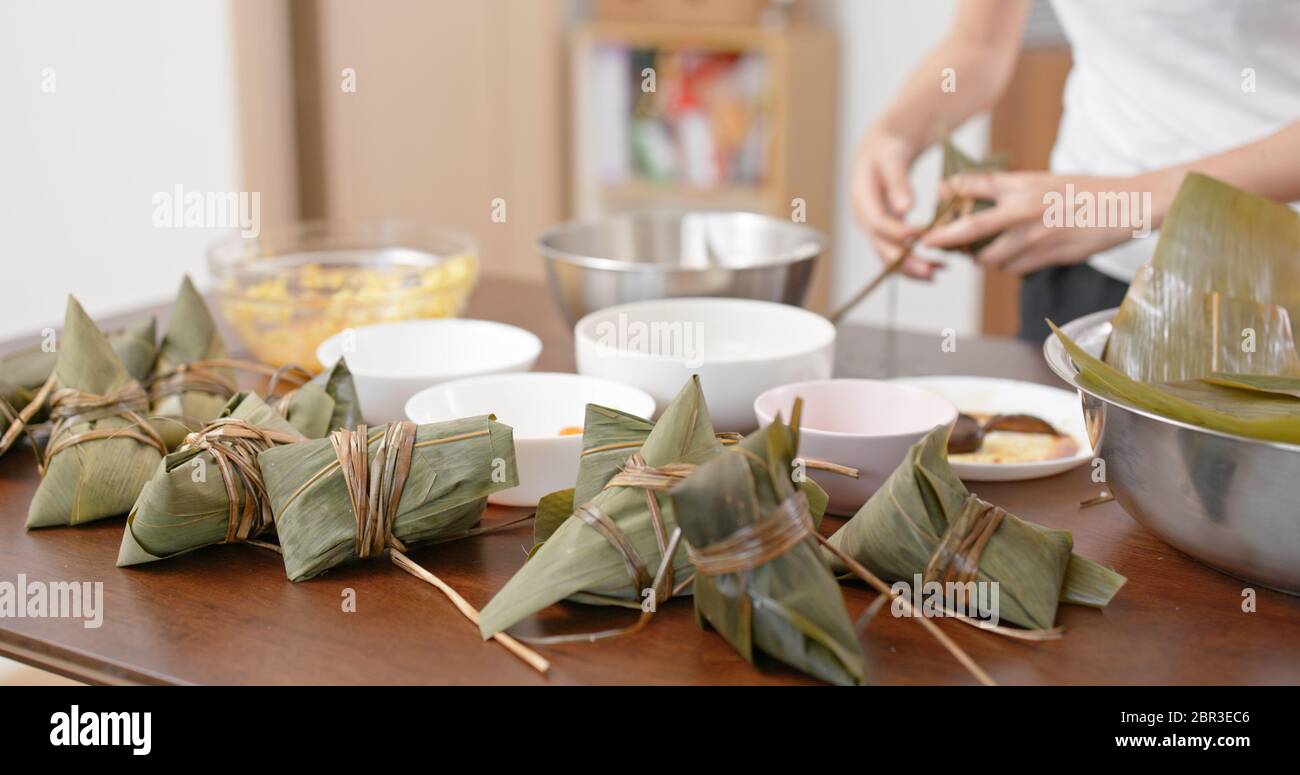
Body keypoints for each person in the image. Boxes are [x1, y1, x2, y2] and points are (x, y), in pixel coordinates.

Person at [852, 0, 1300, 341]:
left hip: (1274, 292)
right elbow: (980, 45)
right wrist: (894, 134)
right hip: (1082, 266)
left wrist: (1130, 204)